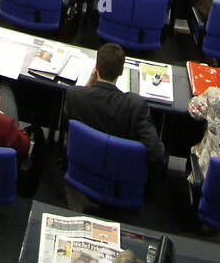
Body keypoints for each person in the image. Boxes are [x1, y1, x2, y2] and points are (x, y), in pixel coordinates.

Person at [65, 43, 165, 174]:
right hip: (118, 175)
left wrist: (90, 82)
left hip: (82, 169)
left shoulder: (74, 95)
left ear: (96, 68)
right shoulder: (135, 105)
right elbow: (158, 154)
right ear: (121, 71)